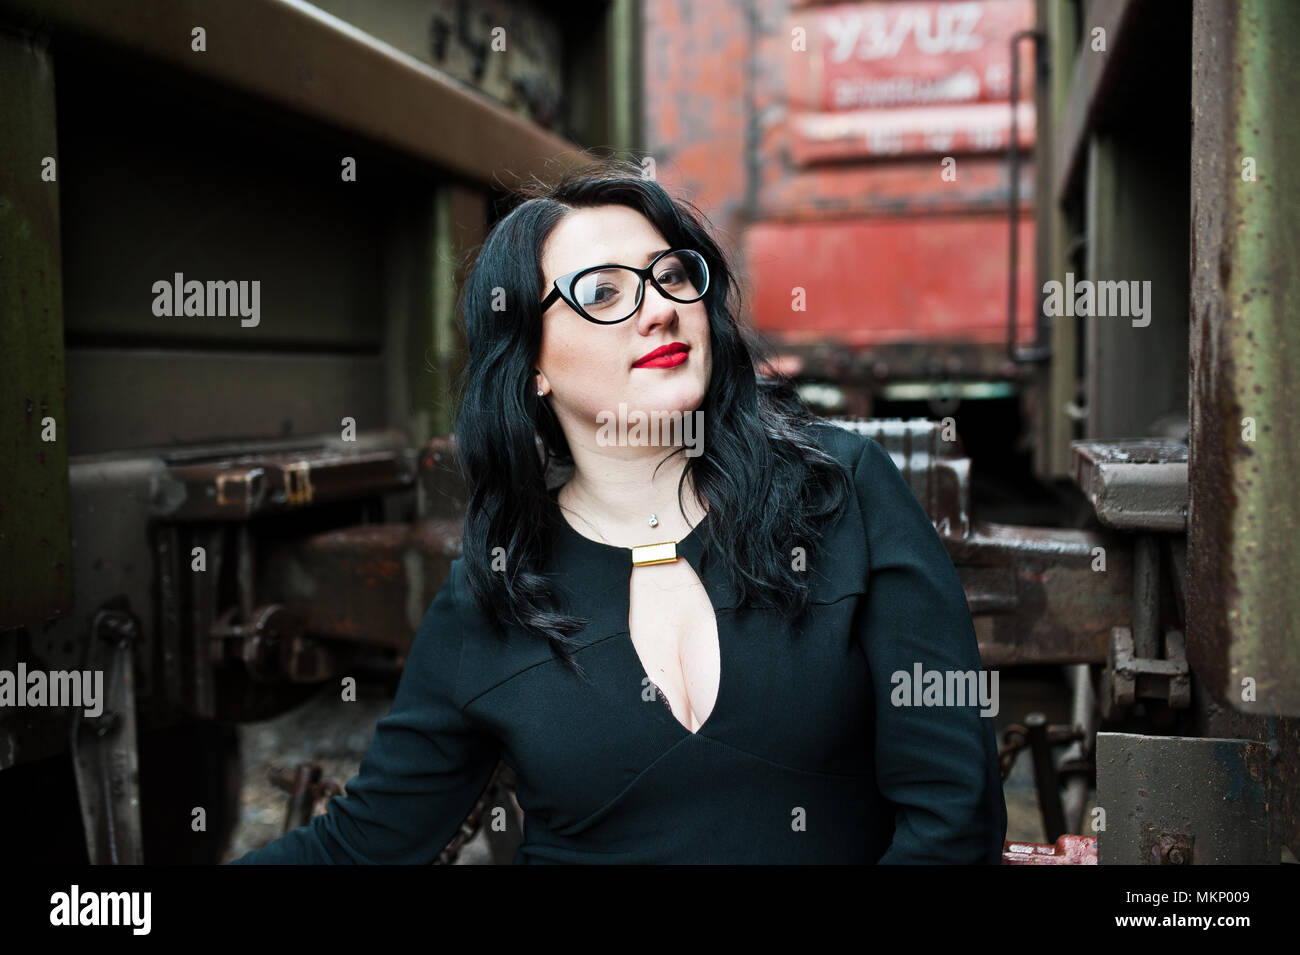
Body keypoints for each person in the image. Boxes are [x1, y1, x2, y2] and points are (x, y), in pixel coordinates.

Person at [229, 158, 1007, 864]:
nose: (660, 308)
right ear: (530, 363)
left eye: (671, 275)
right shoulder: (497, 590)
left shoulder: (839, 490)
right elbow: (362, 845)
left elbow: (953, 814)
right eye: (602, 291)